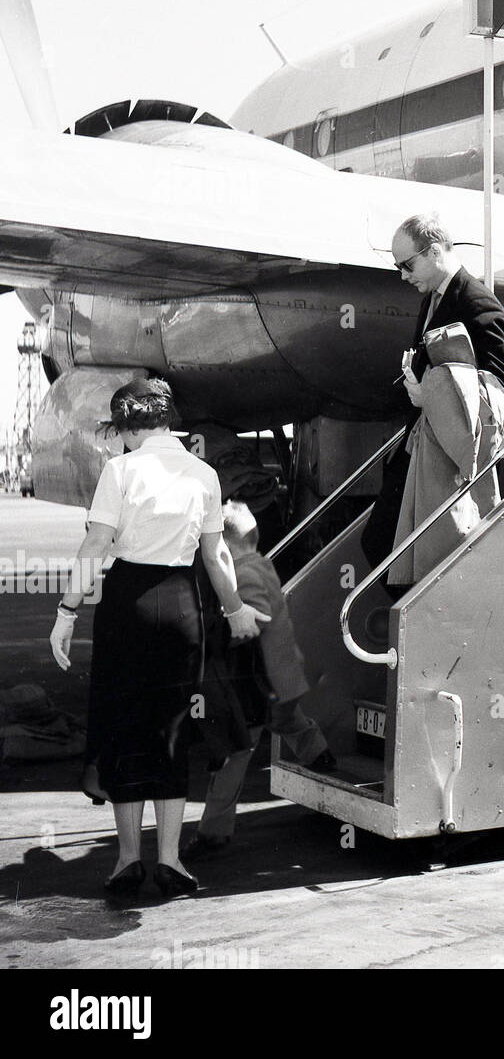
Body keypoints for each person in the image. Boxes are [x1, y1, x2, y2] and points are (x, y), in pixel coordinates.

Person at [48, 378, 267, 896]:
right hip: (182, 605)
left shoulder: (120, 470)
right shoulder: (204, 474)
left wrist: (66, 611)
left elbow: (97, 544)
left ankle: (127, 861)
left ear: (126, 426)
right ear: (168, 421)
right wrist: (235, 610)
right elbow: (215, 555)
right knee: (172, 732)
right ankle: (171, 861)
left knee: (125, 727)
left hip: (128, 604)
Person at [182, 501, 334, 862]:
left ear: (226, 545)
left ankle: (213, 833)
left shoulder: (245, 575)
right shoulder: (263, 564)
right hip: (282, 681)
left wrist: (222, 629)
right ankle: (318, 753)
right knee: (285, 720)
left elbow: (251, 623)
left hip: (256, 685)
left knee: (234, 755)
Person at [379, 212, 504, 588]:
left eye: (407, 265)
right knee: (383, 547)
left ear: (435, 250)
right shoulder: (436, 296)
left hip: (447, 459)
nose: (404, 275)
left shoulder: (477, 303)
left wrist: (431, 396)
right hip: (420, 445)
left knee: (399, 555)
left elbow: (499, 386)